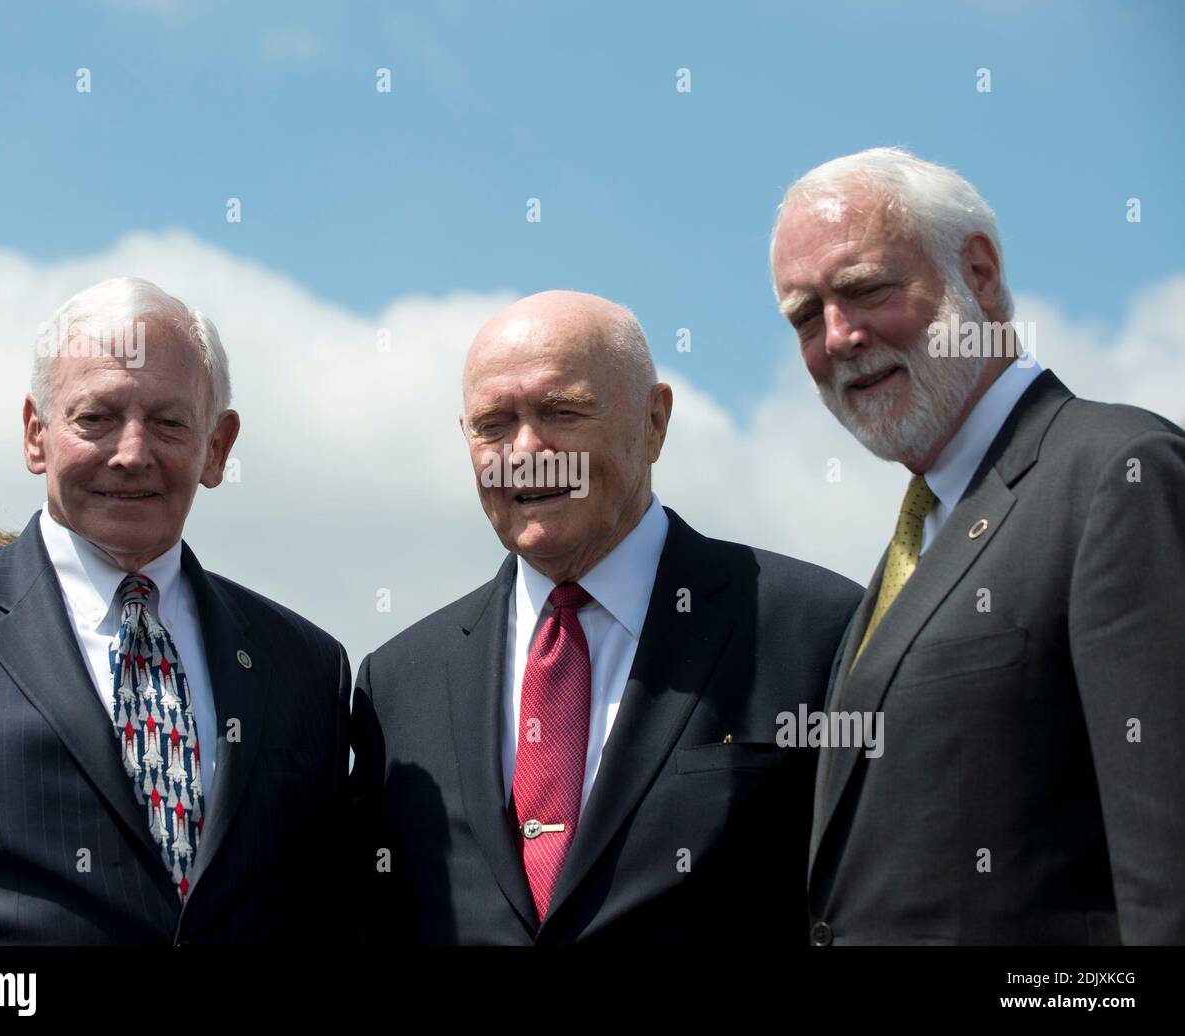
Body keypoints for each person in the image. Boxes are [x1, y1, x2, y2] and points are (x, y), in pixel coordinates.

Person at [350, 289, 860, 944]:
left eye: (562, 411)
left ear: (655, 422)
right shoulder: (397, 684)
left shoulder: (813, 629)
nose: (528, 449)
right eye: (493, 424)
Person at [770, 147, 1185, 945]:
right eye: (803, 317)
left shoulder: (1118, 476)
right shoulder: (911, 546)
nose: (840, 337)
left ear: (980, 274)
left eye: (864, 290)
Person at [0, 276, 352, 945]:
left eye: (167, 422)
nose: (132, 454)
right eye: (95, 418)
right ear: (36, 433)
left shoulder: (305, 667)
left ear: (217, 447)